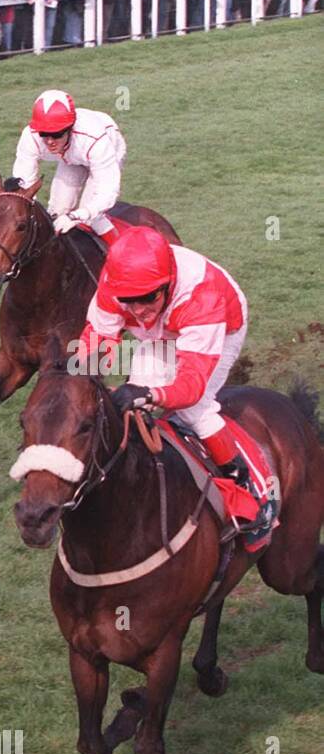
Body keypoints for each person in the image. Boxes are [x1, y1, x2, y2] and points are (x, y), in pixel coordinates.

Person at [76, 226, 275, 545]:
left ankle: (248, 488)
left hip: (218, 327)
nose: (139, 310)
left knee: (194, 410)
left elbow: (191, 384)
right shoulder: (114, 284)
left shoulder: (201, 294)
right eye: (129, 301)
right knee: (139, 407)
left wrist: (151, 393)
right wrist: (73, 375)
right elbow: (97, 338)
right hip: (165, 331)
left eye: (148, 298)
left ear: (168, 284)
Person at [14, 89, 127, 242]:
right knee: (56, 212)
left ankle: (119, 255)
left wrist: (78, 215)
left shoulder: (95, 140)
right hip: (72, 157)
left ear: (70, 128)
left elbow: (107, 192)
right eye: (44, 134)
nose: (50, 141)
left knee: (92, 218)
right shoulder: (30, 136)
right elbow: (24, 183)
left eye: (57, 134)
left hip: (106, 147)